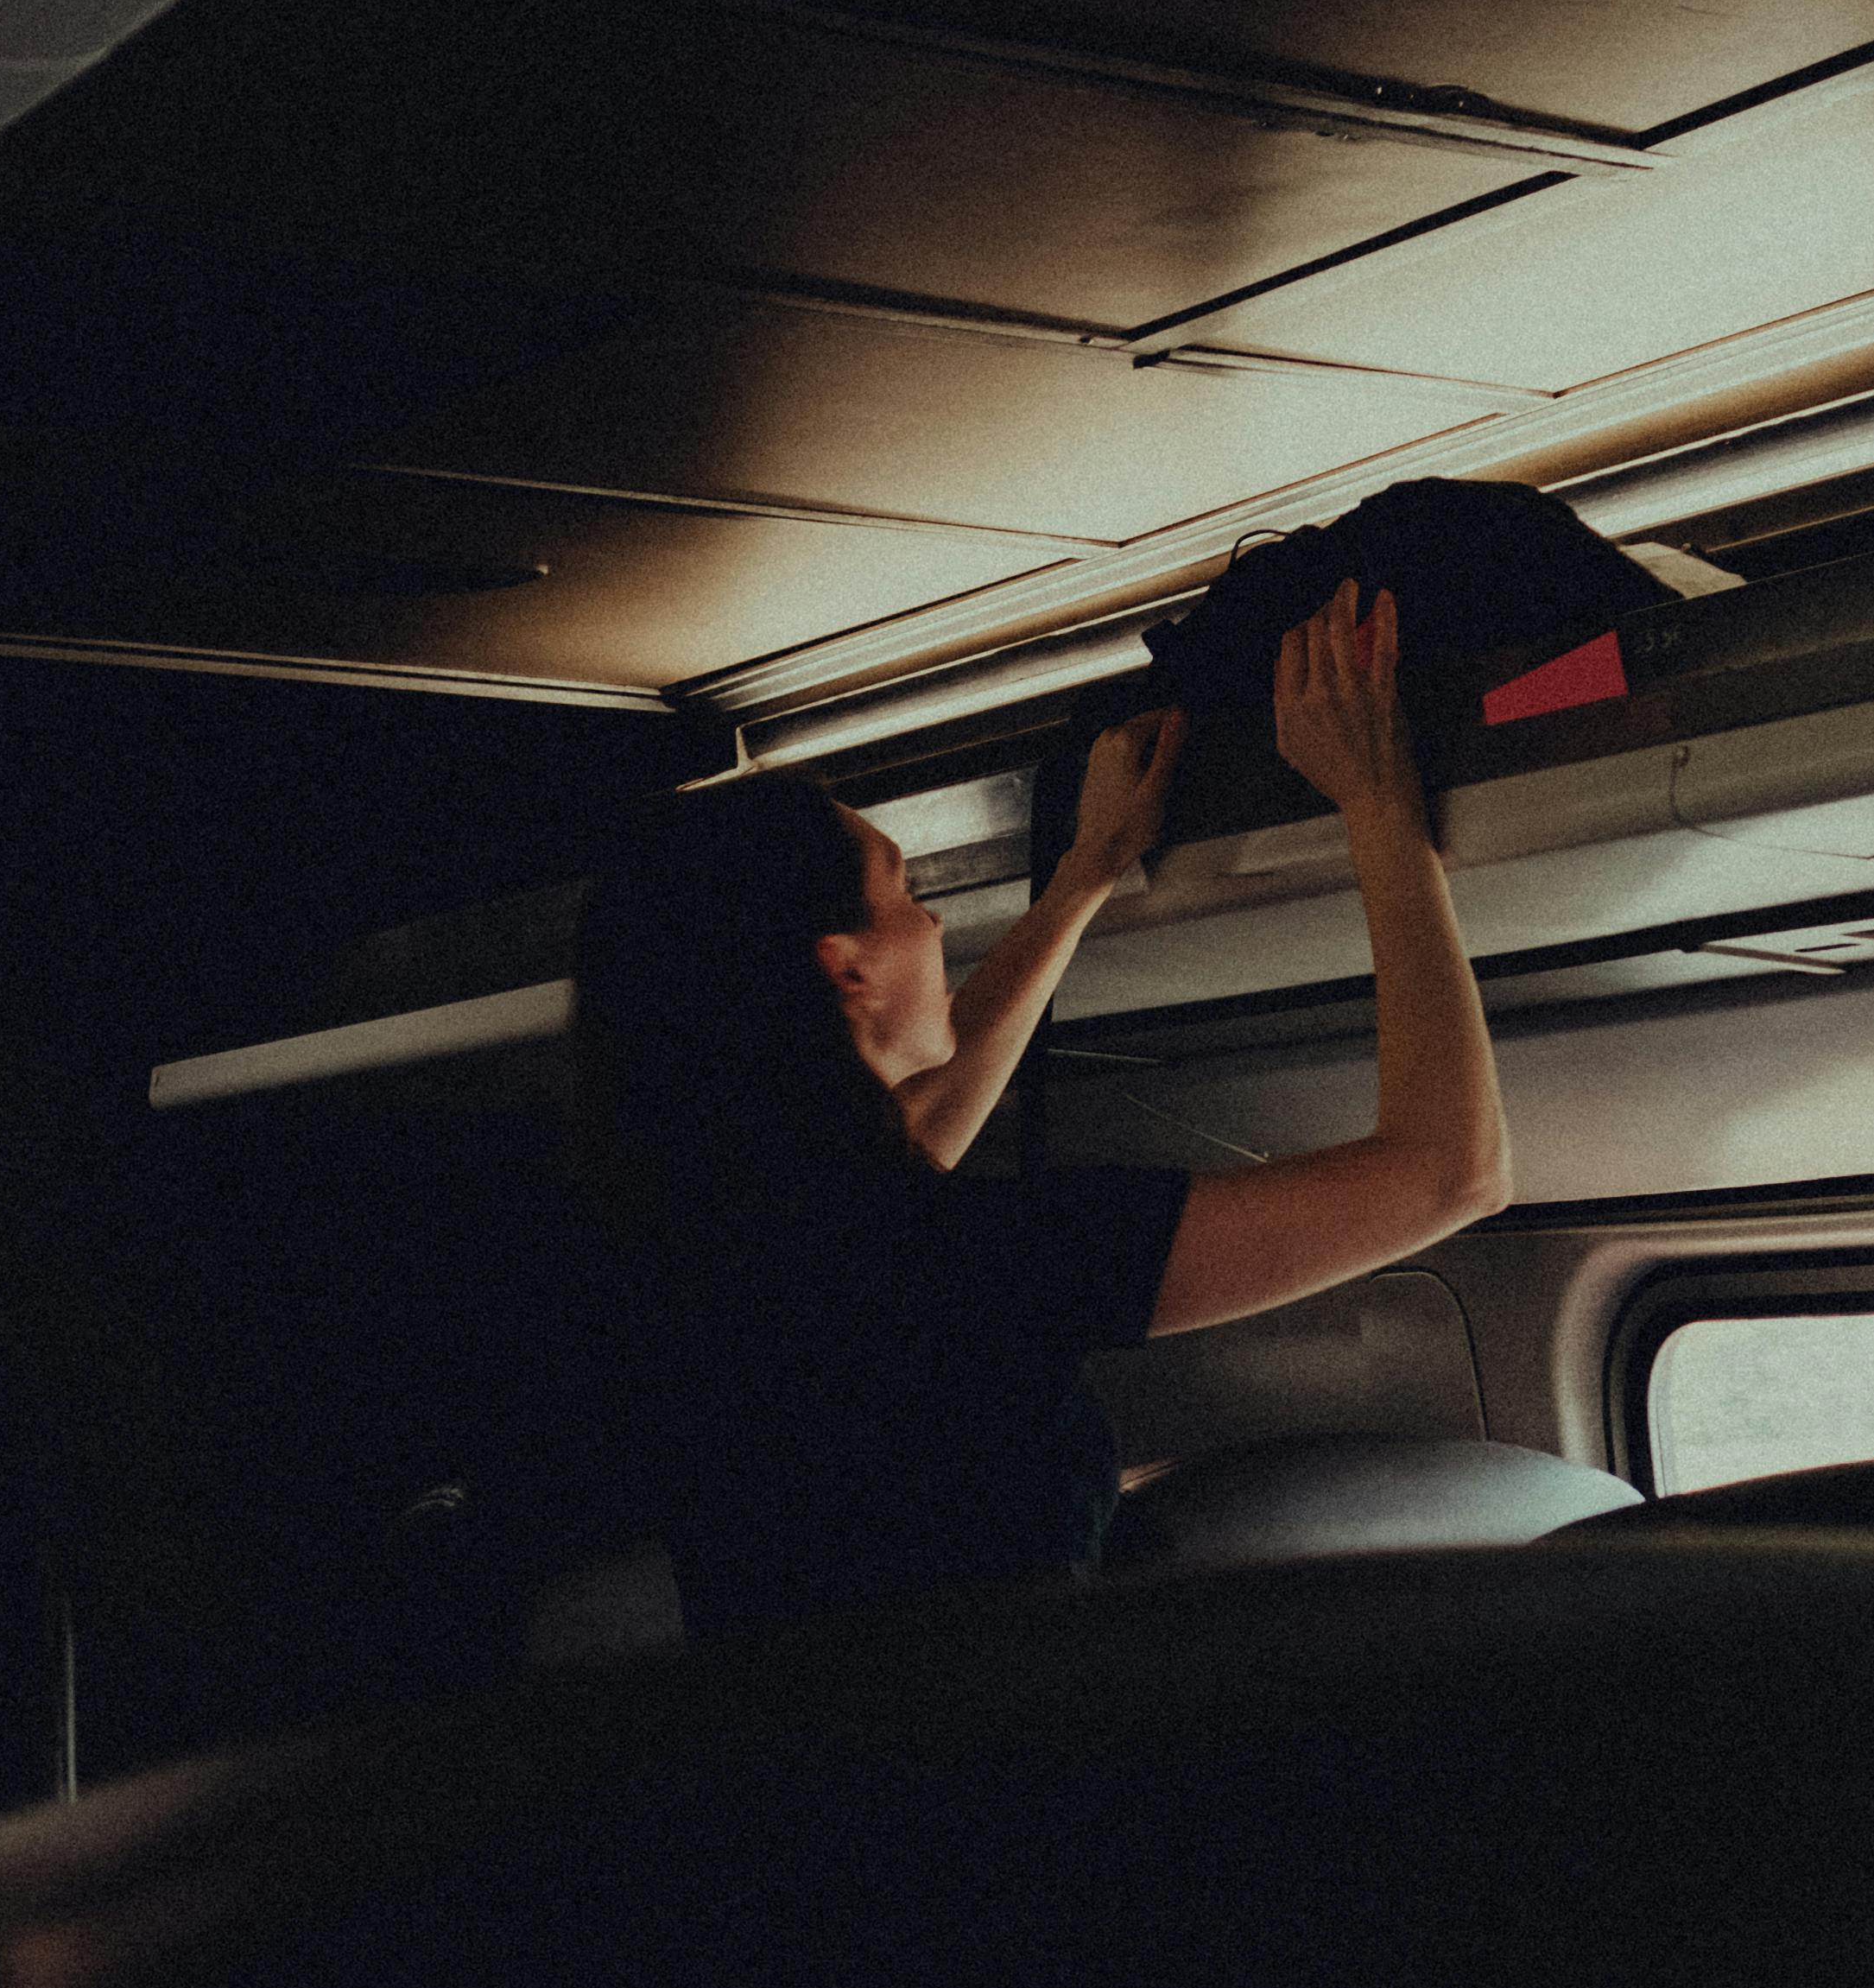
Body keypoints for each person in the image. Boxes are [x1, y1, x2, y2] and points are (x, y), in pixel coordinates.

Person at [575, 581, 1512, 1643]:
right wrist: (1378, 801)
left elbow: (918, 1128)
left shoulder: (714, 1250)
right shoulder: (958, 1263)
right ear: (845, 969)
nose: (934, 923)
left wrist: (1086, 871)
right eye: (908, 890)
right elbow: (1452, 1170)